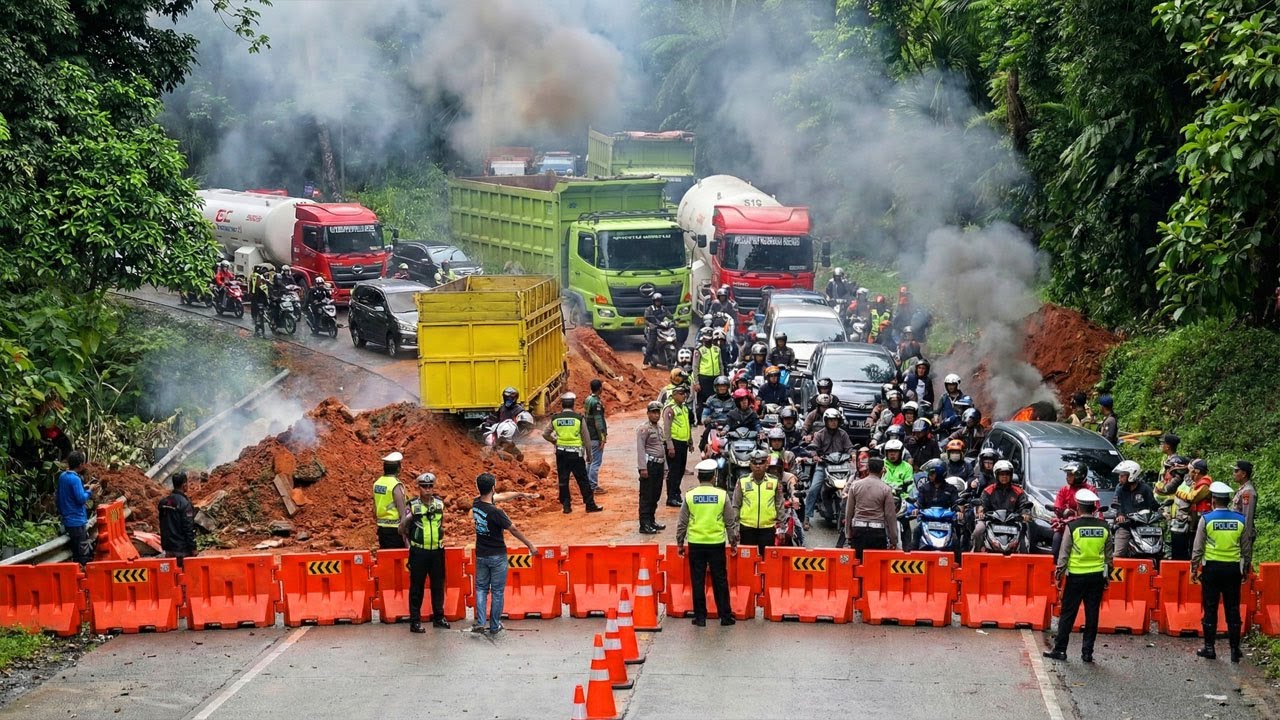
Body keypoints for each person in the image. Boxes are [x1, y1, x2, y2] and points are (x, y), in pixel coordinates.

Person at [1044, 489, 1112, 664]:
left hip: (1076, 576)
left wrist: (1059, 573)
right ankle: (1087, 653)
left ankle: (1060, 650)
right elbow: (1108, 556)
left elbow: (1064, 553)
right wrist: (1107, 576)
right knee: (1092, 614)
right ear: (1093, 507)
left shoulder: (1073, 526)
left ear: (1079, 507)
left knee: (1068, 614)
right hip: (1096, 577)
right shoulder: (1104, 527)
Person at [471, 473, 538, 635]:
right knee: (497, 591)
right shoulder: (496, 512)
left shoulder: (476, 504)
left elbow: (503, 496)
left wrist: (521, 494)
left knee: (481, 588)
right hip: (497, 555)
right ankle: (494, 625)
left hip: (481, 554)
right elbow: (513, 529)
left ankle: (480, 621)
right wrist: (530, 544)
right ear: (493, 488)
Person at [1192, 481, 1252, 662]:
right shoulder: (1240, 519)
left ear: (1213, 500)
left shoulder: (1207, 519)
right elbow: (1246, 547)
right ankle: (1235, 650)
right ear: (1227, 501)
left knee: (1210, 607)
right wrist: (1246, 567)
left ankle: (1209, 648)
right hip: (1233, 569)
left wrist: (1194, 567)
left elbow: (1198, 546)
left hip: (1212, 569)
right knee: (1233, 608)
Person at [675, 459, 739, 627]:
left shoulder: (690, 495)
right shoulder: (722, 495)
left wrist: (680, 543)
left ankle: (700, 618)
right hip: (716, 544)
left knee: (697, 580)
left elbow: (682, 523)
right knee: (720, 580)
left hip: (696, 543)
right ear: (713, 477)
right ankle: (725, 616)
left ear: (698, 477)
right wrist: (733, 543)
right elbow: (730, 522)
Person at [401, 473, 449, 632]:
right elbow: (401, 529)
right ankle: (415, 621)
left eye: (430, 486)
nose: (427, 489)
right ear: (419, 487)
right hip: (419, 552)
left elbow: (440, 525)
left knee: (438, 585)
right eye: (424, 486)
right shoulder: (412, 506)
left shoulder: (440, 504)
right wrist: (408, 520)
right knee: (417, 588)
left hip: (436, 551)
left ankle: (439, 617)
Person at [541, 393, 602, 514]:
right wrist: (589, 455)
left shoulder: (555, 418)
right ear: (573, 405)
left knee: (563, 480)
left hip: (561, 453)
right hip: (575, 454)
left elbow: (545, 434)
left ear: (562, 405)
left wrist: (555, 441)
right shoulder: (578, 418)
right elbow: (586, 439)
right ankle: (590, 504)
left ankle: (566, 506)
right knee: (583, 480)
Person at [804, 408, 853, 530]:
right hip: (824, 465)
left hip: (842, 466)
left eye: (835, 420)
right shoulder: (820, 434)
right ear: (826, 421)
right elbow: (812, 449)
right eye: (830, 420)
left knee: (854, 487)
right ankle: (806, 517)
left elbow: (850, 448)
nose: (833, 423)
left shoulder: (843, 434)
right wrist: (815, 456)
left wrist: (853, 454)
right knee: (813, 488)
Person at [844, 456, 900, 559]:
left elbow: (849, 512)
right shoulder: (886, 489)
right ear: (883, 470)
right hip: (877, 533)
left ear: (868, 469)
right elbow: (890, 516)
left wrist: (848, 534)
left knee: (858, 564)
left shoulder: (855, 486)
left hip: (858, 530)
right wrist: (894, 540)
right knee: (876, 566)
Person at [732, 450, 784, 555]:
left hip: (768, 528)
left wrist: (781, 527)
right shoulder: (742, 481)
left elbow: (779, 505)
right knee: (747, 562)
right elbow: (736, 505)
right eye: (755, 463)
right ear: (750, 465)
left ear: (766, 464)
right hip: (747, 528)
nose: (758, 466)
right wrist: (735, 528)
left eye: (761, 463)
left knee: (766, 561)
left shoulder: (774, 481)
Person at [973, 461, 1032, 552]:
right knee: (979, 530)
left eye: (1007, 474)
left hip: (1013, 522)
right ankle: (976, 554)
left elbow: (1024, 504)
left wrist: (1025, 513)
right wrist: (981, 512)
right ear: (996, 475)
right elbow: (982, 504)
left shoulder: (1019, 491)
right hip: (991, 521)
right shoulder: (988, 490)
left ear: (1011, 475)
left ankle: (1025, 555)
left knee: (1026, 528)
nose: (1004, 477)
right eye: (1001, 474)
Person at [1112, 460, 1160, 557]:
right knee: (1118, 553)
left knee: (1158, 549)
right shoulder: (1119, 488)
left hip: (1144, 526)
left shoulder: (1145, 488)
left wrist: (1162, 512)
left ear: (1131, 475)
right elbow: (1117, 504)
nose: (1119, 478)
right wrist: (1120, 515)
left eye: (1122, 476)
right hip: (1126, 525)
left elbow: (1153, 505)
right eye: (1119, 476)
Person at [911, 460, 960, 549]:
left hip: (945, 520)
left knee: (956, 535)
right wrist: (916, 509)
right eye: (929, 473)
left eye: (932, 473)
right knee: (916, 531)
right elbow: (919, 503)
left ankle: (959, 560)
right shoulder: (924, 488)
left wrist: (958, 512)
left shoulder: (951, 489)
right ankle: (912, 556)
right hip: (927, 519)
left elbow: (955, 504)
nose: (929, 475)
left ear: (940, 473)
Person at [1051, 461, 1096, 560]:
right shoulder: (1064, 490)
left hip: (1085, 526)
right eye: (1067, 474)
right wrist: (1062, 512)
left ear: (1079, 475)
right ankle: (1056, 569)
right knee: (1056, 542)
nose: (1067, 477)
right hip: (1066, 526)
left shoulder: (1090, 490)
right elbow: (1057, 507)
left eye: (1070, 475)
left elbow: (1096, 510)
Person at [56, 451, 94, 565]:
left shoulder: (63, 476)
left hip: (67, 520)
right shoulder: (75, 479)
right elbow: (81, 499)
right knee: (82, 554)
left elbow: (65, 493)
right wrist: (90, 491)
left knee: (75, 552)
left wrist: (83, 487)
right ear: (81, 464)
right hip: (77, 522)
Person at [636, 401, 668, 534]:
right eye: (653, 413)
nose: (656, 415)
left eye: (657, 413)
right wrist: (642, 468)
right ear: (648, 413)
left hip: (659, 465)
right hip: (649, 466)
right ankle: (644, 524)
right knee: (646, 496)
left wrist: (665, 466)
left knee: (656, 494)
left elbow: (662, 448)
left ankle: (651, 520)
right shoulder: (644, 429)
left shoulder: (659, 428)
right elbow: (640, 449)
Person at [661, 385, 696, 507]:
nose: (684, 396)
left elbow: (688, 426)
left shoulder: (684, 408)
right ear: (674, 395)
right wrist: (670, 445)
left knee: (681, 470)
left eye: (684, 393)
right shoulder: (670, 409)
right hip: (674, 443)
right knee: (674, 471)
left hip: (683, 443)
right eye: (681, 394)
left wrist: (690, 442)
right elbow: (666, 429)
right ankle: (671, 496)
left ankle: (676, 493)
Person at [1172, 459, 1213, 560]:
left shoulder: (1205, 485)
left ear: (1197, 471)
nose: (1189, 473)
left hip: (1202, 517)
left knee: (1197, 542)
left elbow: (1192, 497)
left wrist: (1178, 493)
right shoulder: (1197, 482)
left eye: (1190, 471)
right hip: (1195, 517)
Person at [157, 471, 197, 567]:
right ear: (184, 485)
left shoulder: (163, 502)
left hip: (168, 548)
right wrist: (193, 548)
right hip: (181, 549)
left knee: (171, 577)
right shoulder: (185, 504)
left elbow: (162, 524)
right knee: (184, 576)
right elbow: (188, 528)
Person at [373, 451, 409, 549]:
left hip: (381, 528)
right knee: (396, 559)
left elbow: (375, 506)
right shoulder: (395, 484)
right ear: (398, 468)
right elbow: (402, 511)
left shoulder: (377, 483)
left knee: (385, 557)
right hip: (395, 530)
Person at [583, 379, 608, 496]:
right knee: (596, 462)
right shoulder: (596, 403)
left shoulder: (587, 400)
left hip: (587, 435)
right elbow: (598, 422)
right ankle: (593, 486)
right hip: (594, 436)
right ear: (600, 389)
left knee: (590, 460)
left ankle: (588, 484)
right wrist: (602, 437)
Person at [699, 375, 734, 453]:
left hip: (729, 425)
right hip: (714, 426)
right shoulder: (711, 400)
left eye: (724, 386)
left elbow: (736, 413)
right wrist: (705, 420)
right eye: (719, 386)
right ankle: (703, 450)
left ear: (727, 387)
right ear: (716, 387)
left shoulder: (733, 400)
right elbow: (705, 413)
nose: (722, 388)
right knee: (706, 433)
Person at [691, 329, 724, 410]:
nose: (708, 341)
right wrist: (696, 382)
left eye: (709, 339)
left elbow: (720, 364)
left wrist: (722, 377)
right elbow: (695, 367)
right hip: (704, 378)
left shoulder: (717, 349)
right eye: (706, 339)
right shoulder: (699, 350)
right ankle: (700, 418)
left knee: (716, 399)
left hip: (716, 378)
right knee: (703, 400)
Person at [1230, 460, 1257, 552]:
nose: (1234, 473)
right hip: (1237, 531)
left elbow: (1247, 516)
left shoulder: (1247, 491)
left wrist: (1246, 537)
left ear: (1244, 474)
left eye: (1236, 471)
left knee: (1244, 562)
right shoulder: (1242, 489)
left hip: (1243, 534)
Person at [643, 293, 673, 367]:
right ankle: (645, 363)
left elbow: (670, 316)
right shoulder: (649, 309)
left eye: (659, 301)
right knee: (651, 345)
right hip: (653, 329)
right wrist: (650, 324)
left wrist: (673, 321)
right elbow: (645, 320)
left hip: (663, 328)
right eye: (656, 301)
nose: (658, 302)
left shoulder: (664, 309)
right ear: (654, 301)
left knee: (675, 340)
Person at [249, 265, 271, 337]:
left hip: (256, 297)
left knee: (258, 315)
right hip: (258, 297)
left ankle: (259, 330)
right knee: (259, 315)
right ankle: (259, 330)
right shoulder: (259, 277)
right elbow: (261, 286)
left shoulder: (253, 276)